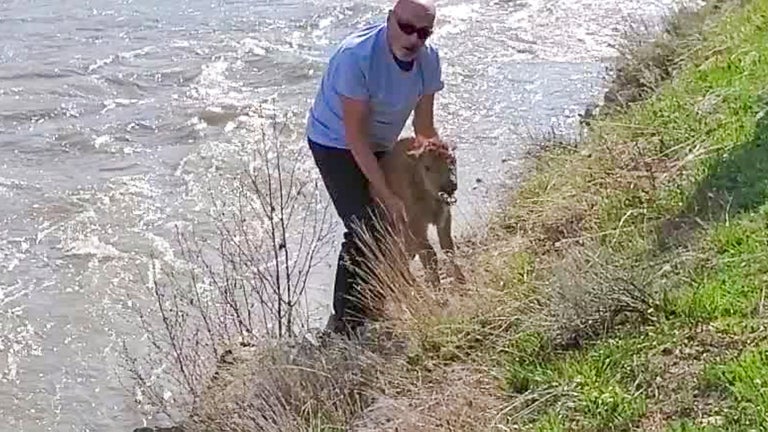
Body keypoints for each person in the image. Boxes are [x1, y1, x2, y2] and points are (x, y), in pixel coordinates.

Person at [305, 0, 445, 336]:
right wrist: (384, 192)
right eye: (406, 27)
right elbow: (356, 139)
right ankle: (344, 327)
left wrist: (437, 160)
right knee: (365, 226)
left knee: (405, 218)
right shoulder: (356, 58)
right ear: (389, 20)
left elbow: (424, 126)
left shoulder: (429, 61)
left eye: (423, 32)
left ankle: (376, 300)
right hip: (335, 141)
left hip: (381, 140)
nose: (413, 39)